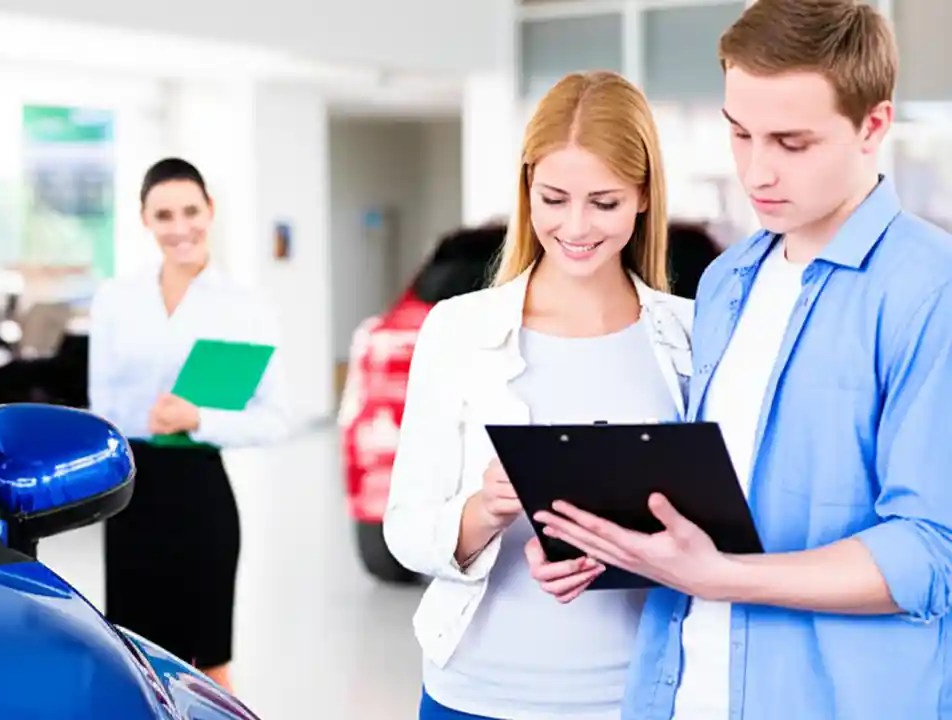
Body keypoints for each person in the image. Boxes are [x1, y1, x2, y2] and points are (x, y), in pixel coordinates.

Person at [533, 2, 952, 718]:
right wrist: (610, 542)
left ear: (873, 127)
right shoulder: (729, 280)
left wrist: (725, 575)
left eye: (792, 142)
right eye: (739, 133)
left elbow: (930, 554)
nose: (758, 171)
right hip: (682, 692)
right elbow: (713, 502)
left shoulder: (928, 289)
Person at [382, 71, 693, 720]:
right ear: (527, 189)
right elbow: (406, 529)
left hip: (634, 697)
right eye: (553, 198)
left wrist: (626, 551)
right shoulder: (458, 330)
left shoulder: (692, 336)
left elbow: (718, 525)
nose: (575, 227)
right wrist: (485, 512)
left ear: (642, 196)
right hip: (475, 694)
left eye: (603, 203)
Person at [87, 157, 290, 692]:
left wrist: (199, 418)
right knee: (135, 658)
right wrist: (139, 418)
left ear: (211, 210)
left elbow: (274, 419)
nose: (180, 228)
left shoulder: (245, 308)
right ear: (144, 220)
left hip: (202, 497)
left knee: (208, 665)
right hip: (131, 499)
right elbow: (100, 403)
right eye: (164, 215)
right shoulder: (115, 299)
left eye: (191, 211)